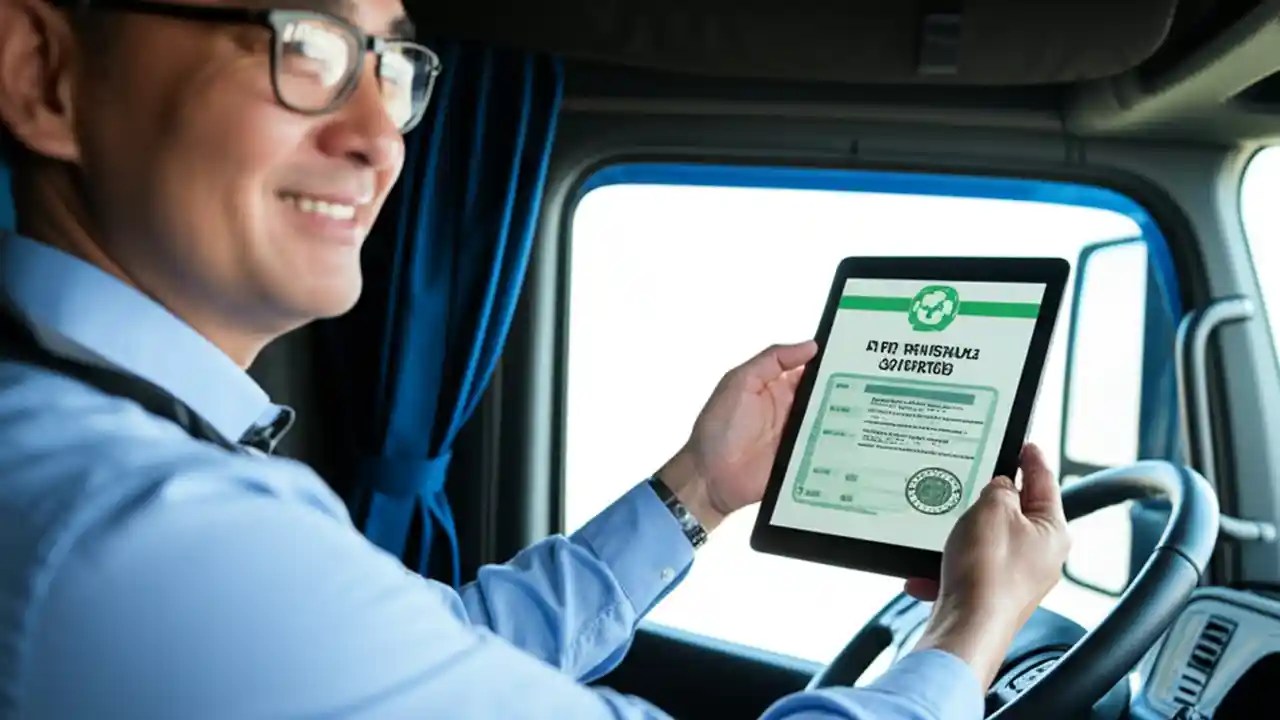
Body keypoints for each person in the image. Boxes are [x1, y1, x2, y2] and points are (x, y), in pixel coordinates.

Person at [0, 0, 1072, 716]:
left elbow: (448, 647)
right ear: (43, 73)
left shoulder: (94, 442)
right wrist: (967, 630)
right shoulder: (141, 524)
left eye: (389, 65)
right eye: (306, 47)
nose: (382, 136)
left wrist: (696, 488)